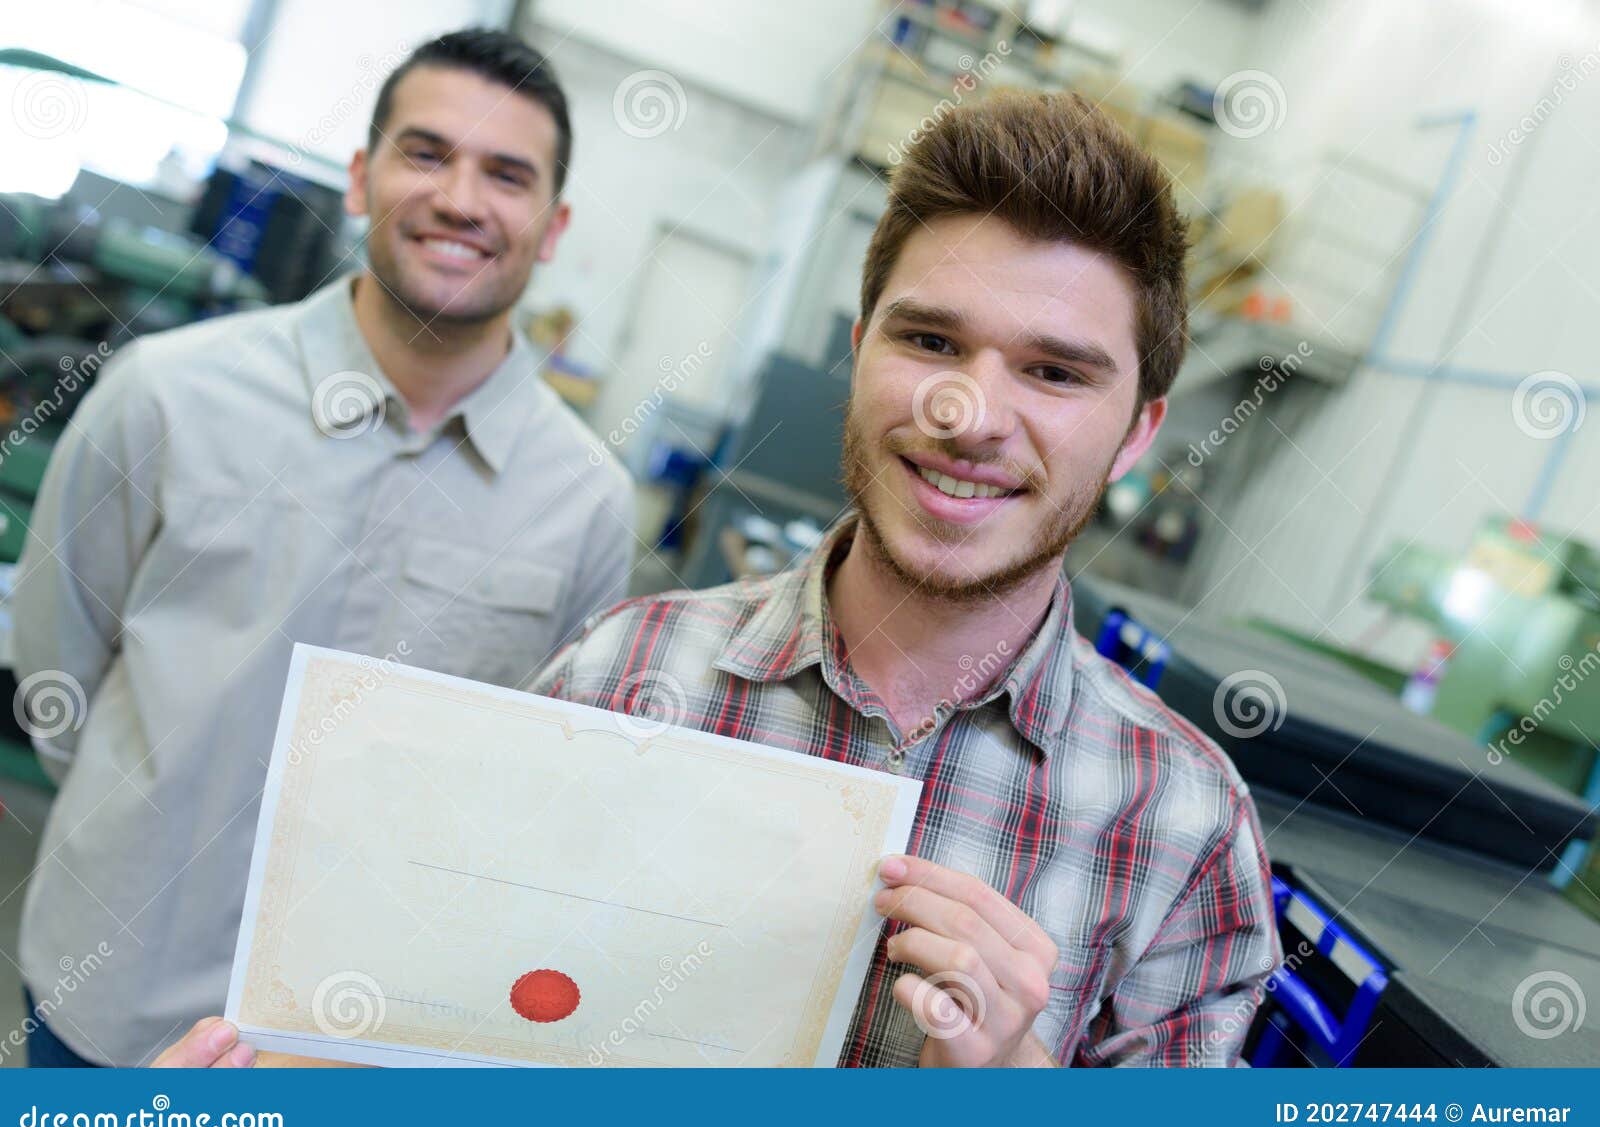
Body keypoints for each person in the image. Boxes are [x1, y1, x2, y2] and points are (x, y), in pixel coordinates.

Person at [157, 89, 1279, 1070]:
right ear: (858, 350)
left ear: (1138, 433)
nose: (967, 416)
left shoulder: (1181, 828)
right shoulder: (622, 671)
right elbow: (445, 1049)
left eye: (1052, 371)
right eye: (930, 342)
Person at [14, 28, 635, 1068]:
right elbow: (56, 667)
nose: (461, 199)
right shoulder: (169, 393)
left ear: (554, 223)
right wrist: (154, 825)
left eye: (507, 175)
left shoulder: (585, 506)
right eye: (426, 154)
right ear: (361, 176)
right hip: (111, 998)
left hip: (361, 1051)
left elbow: (533, 792)